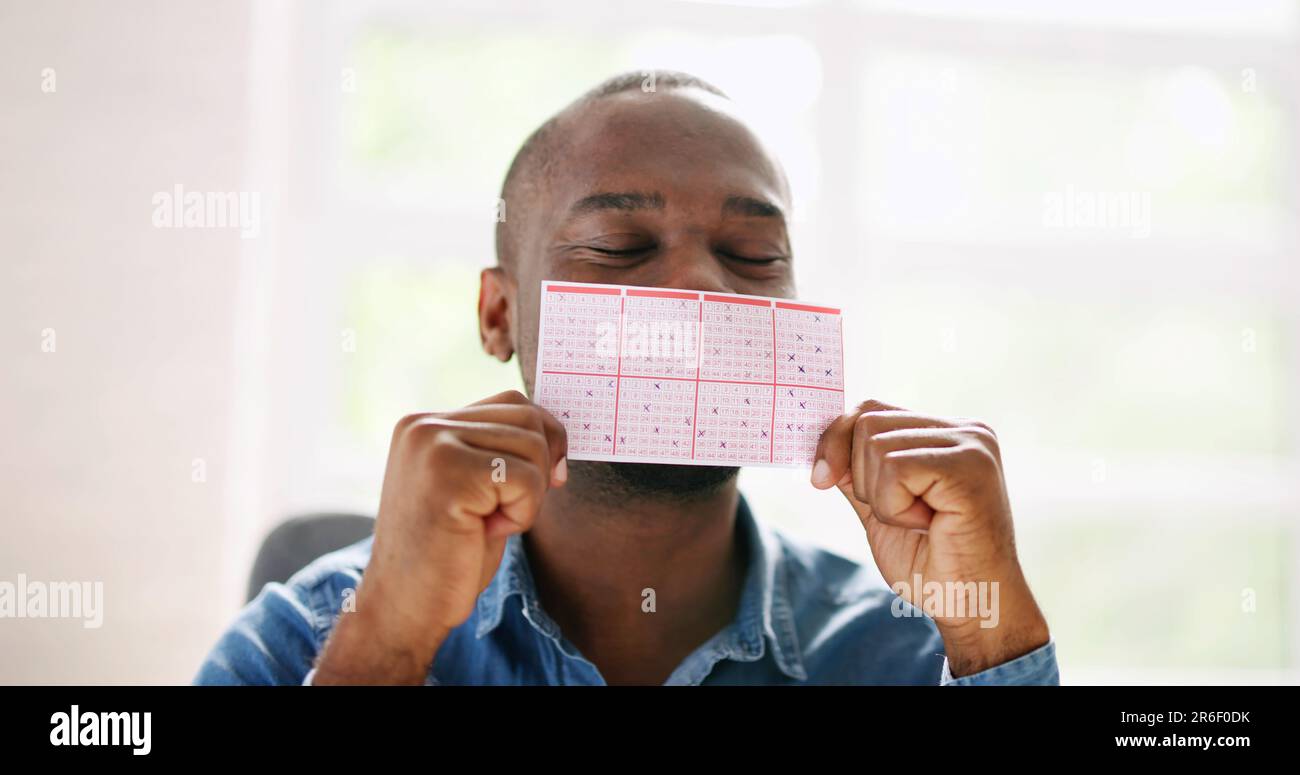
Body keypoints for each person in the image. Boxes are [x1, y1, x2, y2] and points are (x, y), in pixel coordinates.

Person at [196, 71, 1057, 685]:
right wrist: (384, 647)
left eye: (753, 255)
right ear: (500, 315)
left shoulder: (911, 651)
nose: (699, 288)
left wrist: (993, 633)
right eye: (619, 248)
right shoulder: (306, 634)